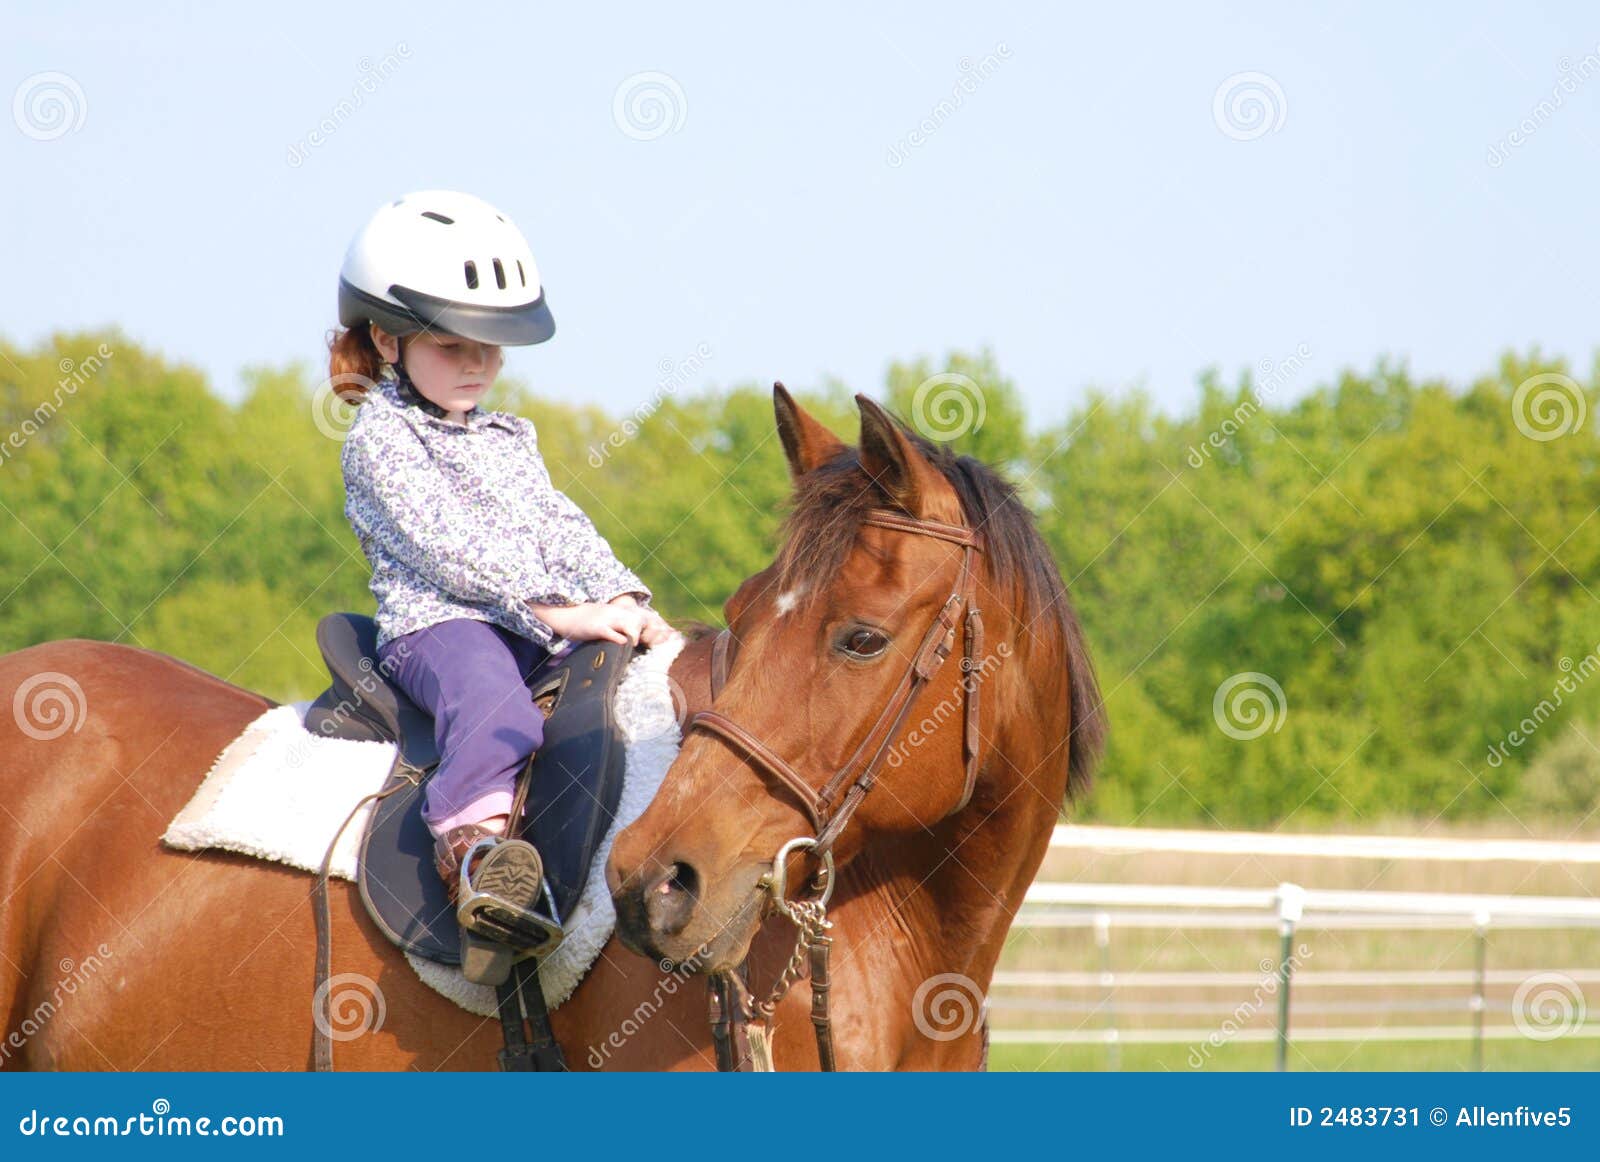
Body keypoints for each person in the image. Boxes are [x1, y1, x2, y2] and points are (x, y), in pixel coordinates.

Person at [328, 190, 673, 951]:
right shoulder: (380, 438)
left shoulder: (506, 438)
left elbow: (558, 525)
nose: (477, 363)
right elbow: (448, 547)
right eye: (452, 345)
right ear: (387, 342)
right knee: (501, 714)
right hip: (442, 624)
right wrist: (559, 613)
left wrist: (620, 593)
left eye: (489, 346)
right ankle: (475, 857)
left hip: (530, 620)